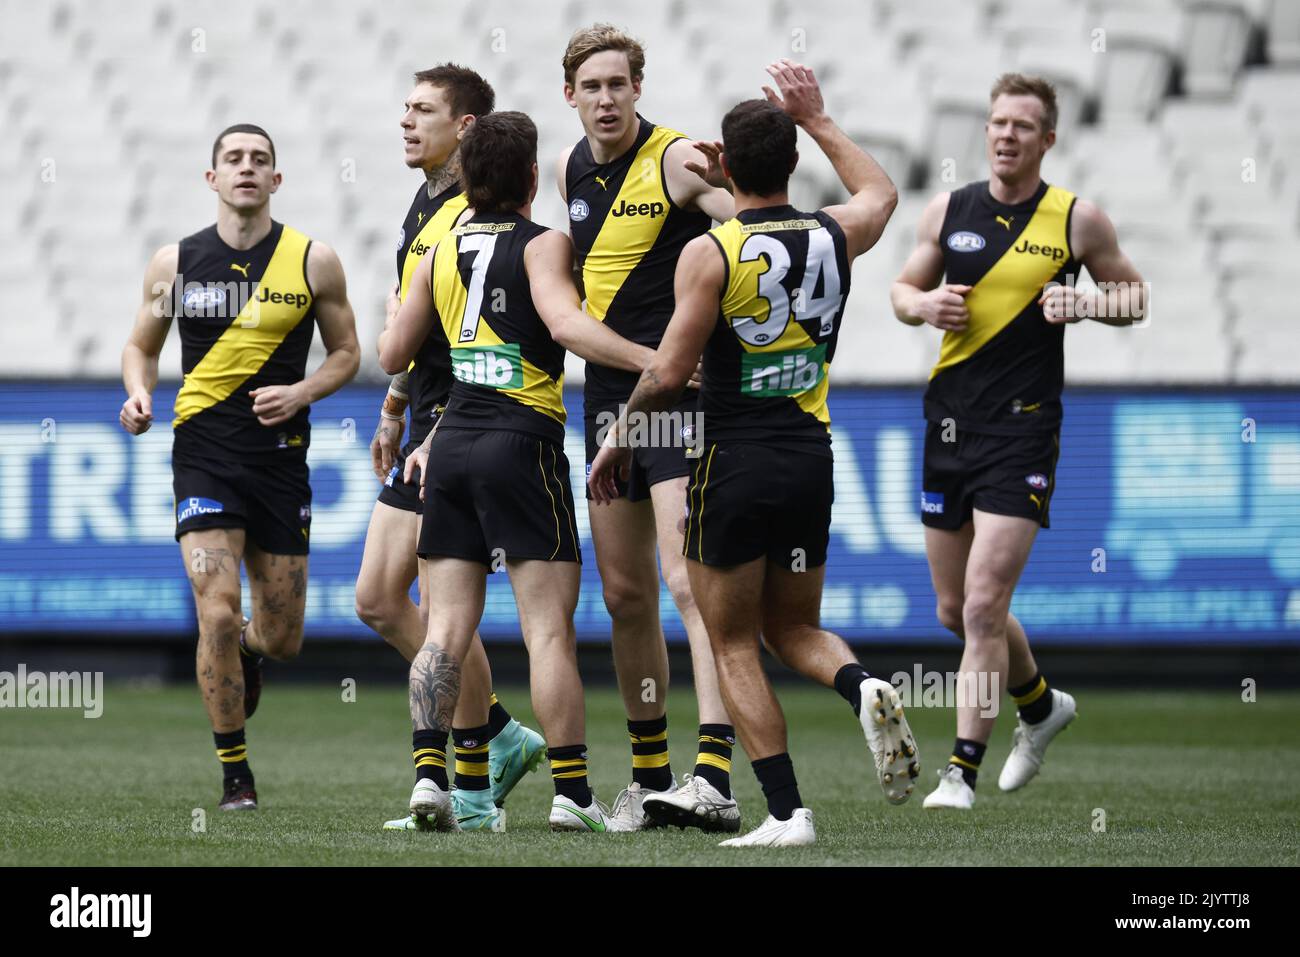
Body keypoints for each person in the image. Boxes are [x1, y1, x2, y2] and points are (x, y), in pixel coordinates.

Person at [589, 60, 914, 847]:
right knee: (794, 628)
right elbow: (883, 194)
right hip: (810, 453)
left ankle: (786, 811)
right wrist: (817, 117)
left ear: (724, 166)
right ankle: (864, 683)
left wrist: (619, 440)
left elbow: (667, 373)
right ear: (795, 160)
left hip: (731, 459)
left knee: (732, 638)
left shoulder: (711, 251)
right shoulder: (836, 233)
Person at [379, 111, 657, 832]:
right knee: (548, 631)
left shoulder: (440, 249)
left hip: (450, 443)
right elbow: (565, 326)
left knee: (443, 629)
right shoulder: (544, 244)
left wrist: (392, 315)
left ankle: (431, 781)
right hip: (521, 439)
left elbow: (392, 353)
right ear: (534, 178)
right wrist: (650, 359)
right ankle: (571, 793)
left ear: (466, 180)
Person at [890, 73, 1146, 809]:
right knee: (953, 608)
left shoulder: (1076, 220)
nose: (1005, 135)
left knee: (981, 605)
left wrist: (1091, 303)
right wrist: (924, 304)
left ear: (1048, 140)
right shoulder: (949, 208)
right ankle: (1039, 705)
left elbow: (1137, 296)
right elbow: (903, 290)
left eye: (1022, 127)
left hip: (1024, 429)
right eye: (998, 122)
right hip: (948, 424)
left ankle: (959, 771)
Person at [119, 125, 361, 811]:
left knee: (280, 638)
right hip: (204, 459)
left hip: (281, 463)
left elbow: (346, 352)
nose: (247, 168)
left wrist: (303, 391)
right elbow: (141, 345)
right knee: (218, 613)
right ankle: (235, 776)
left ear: (276, 181)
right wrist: (138, 393)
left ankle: (250, 656)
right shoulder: (176, 262)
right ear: (213, 177)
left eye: (260, 160)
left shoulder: (313, 260)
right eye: (234, 159)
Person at [557, 23, 742, 831]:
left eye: (618, 84)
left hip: (679, 395)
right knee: (626, 596)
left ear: (640, 88)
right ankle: (650, 774)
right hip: (605, 397)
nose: (605, 98)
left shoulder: (673, 159)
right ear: (571, 95)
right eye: (591, 86)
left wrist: (741, 189)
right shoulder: (571, 168)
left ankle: (715, 773)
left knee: (687, 584)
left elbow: (747, 227)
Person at [351, 65, 544, 834]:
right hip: (429, 406)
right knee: (378, 598)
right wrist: (395, 403)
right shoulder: (426, 197)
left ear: (465, 126)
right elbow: (425, 331)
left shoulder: (471, 211)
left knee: (435, 608)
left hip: (462, 414)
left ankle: (454, 778)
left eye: (423, 110)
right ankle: (496, 734)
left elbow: (472, 338)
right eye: (404, 107)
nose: (406, 120)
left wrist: (433, 424)